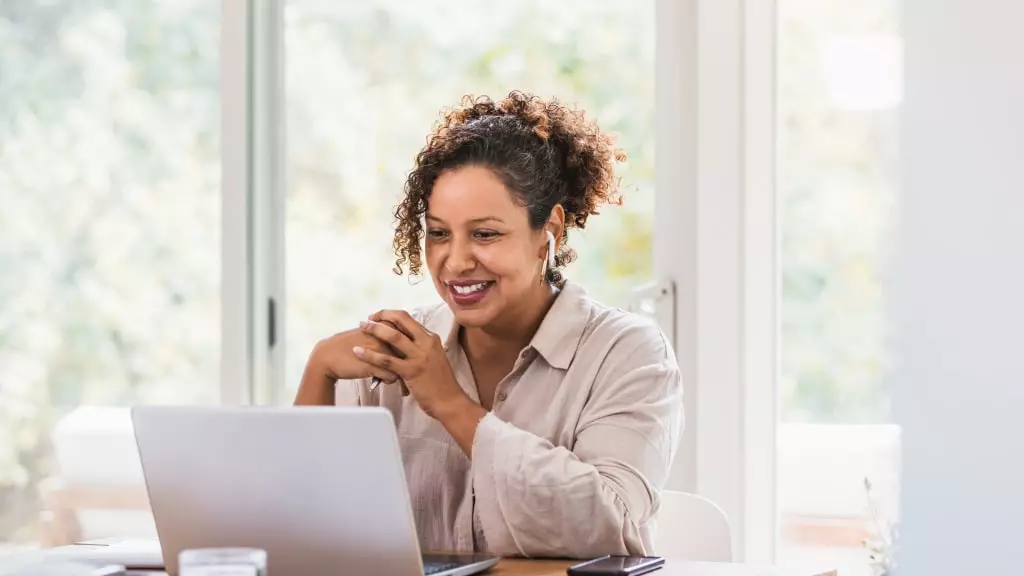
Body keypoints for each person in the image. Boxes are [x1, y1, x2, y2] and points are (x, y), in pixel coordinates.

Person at [294, 91, 683, 559]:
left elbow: (609, 525)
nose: (455, 262)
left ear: (549, 234)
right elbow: (296, 531)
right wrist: (320, 371)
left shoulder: (627, 354)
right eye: (439, 233)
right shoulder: (388, 354)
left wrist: (450, 404)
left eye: (485, 234)